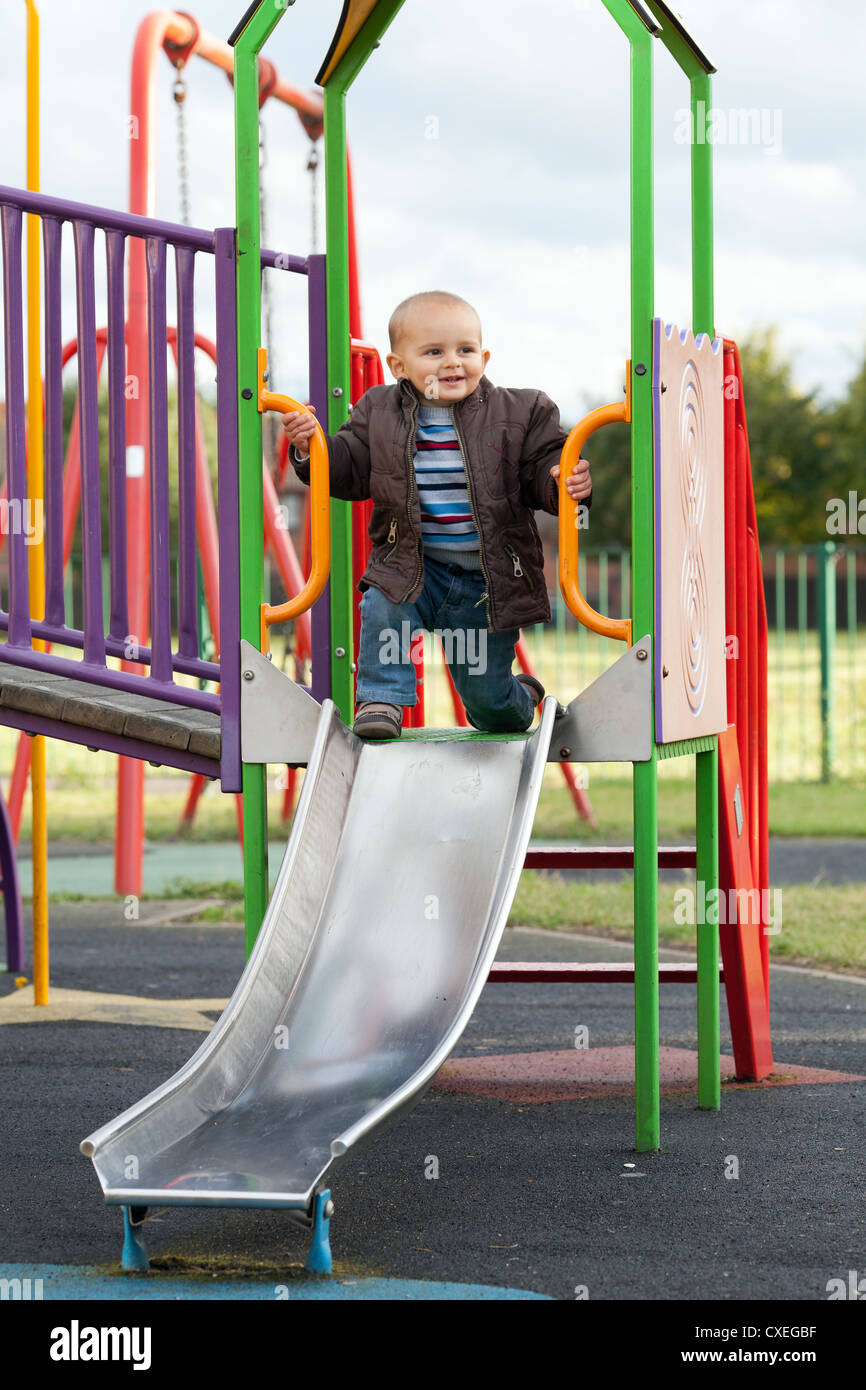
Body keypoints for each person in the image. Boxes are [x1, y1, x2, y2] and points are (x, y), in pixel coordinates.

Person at [281, 290, 591, 739]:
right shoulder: (378, 412)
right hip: (410, 567)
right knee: (382, 605)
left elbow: (543, 464)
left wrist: (563, 481)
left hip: (485, 583)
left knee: (488, 705)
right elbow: (346, 469)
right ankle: (381, 700)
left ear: (484, 356)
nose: (452, 363)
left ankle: (515, 701)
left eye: (465, 350)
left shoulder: (520, 412)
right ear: (399, 367)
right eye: (434, 352)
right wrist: (311, 447)